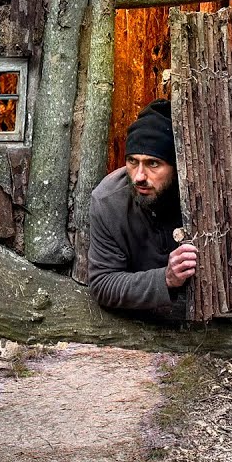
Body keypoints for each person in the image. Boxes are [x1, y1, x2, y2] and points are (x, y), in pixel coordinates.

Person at [87, 99, 199, 317]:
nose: (139, 176)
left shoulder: (203, 197)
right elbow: (103, 283)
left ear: (178, 167)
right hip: (137, 325)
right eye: (132, 161)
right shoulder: (108, 202)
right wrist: (165, 279)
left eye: (153, 163)